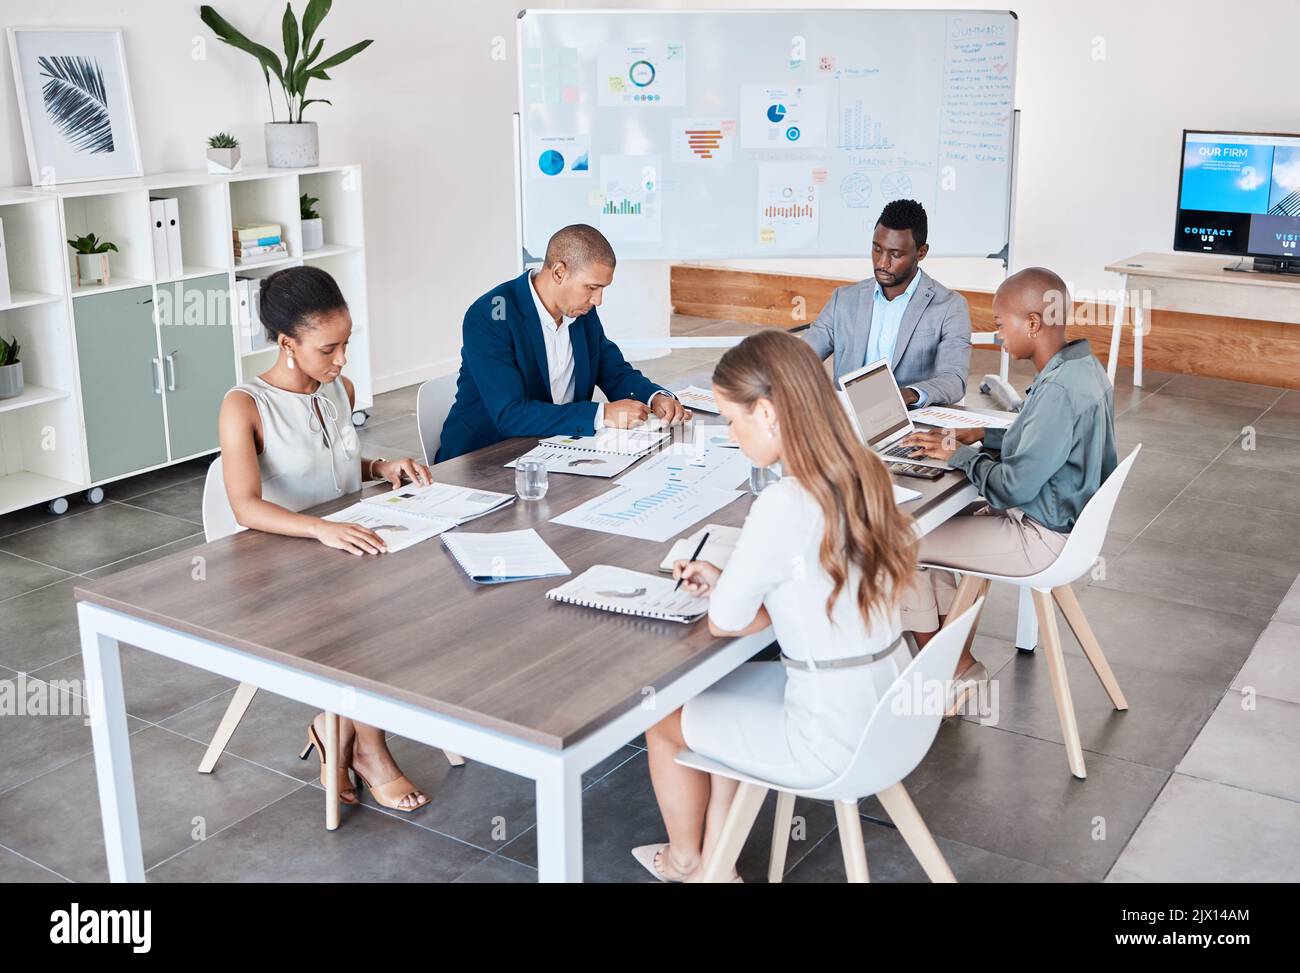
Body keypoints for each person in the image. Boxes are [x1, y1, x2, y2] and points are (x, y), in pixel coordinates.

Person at [634, 329, 918, 882]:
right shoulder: (868, 473)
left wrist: (727, 585)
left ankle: (688, 860)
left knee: (661, 716)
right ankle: (717, 862)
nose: (732, 434)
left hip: (827, 739)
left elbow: (725, 622)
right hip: (891, 712)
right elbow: (809, 595)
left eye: (732, 420)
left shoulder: (783, 501)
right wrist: (737, 579)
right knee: (718, 694)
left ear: (766, 412)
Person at [217, 265, 434, 812]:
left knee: (420, 596)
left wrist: (380, 465)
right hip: (276, 569)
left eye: (346, 345)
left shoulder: (339, 389)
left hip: (340, 550)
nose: (341, 362)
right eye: (328, 349)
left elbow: (327, 466)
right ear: (288, 343)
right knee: (370, 623)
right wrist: (322, 529)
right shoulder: (243, 406)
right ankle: (371, 750)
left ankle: (333, 730)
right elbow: (244, 505)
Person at [898, 267, 1118, 707]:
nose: (998, 336)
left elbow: (1011, 487)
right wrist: (981, 435)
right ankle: (952, 656)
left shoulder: (1058, 390)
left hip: (1041, 537)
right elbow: (1045, 440)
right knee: (937, 526)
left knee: (900, 541)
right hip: (1067, 526)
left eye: (1001, 324)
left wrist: (956, 455)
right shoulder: (1082, 368)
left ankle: (946, 667)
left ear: (1032, 324)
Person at [435, 224, 690, 461]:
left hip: (554, 449)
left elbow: (613, 371)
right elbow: (509, 414)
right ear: (559, 272)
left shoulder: (580, 312)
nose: (598, 300)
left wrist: (654, 396)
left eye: (603, 289)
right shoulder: (491, 315)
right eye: (591, 287)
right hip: (482, 459)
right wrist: (601, 414)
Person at [804, 199, 971, 406]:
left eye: (895, 254)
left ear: (921, 252)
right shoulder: (844, 300)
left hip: (910, 419)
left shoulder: (949, 307)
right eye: (877, 249)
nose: (882, 263)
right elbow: (802, 356)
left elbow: (954, 380)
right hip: (847, 420)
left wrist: (907, 395)